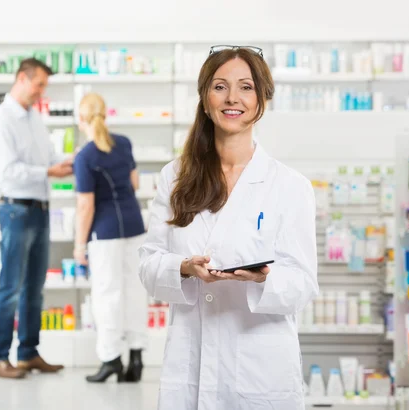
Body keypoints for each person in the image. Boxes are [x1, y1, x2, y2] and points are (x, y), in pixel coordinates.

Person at [138, 46, 319, 409]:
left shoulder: (289, 185)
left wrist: (264, 277)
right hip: (190, 370)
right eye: (220, 87)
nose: (232, 98)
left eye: (246, 87)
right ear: (205, 100)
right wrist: (184, 268)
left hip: (259, 374)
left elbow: (303, 284)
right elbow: (148, 264)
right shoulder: (174, 177)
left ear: (262, 99)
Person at [0, 58, 74, 379]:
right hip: (16, 210)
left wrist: (73, 162)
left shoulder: (34, 118)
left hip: (40, 209)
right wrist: (50, 170)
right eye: (39, 85)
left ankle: (28, 353)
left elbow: (50, 158)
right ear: (22, 78)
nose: (41, 92)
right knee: (11, 288)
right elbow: (8, 172)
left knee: (35, 287)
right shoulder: (0, 121)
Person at [73, 93, 148, 383]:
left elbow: (85, 207)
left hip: (105, 233)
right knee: (134, 292)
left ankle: (111, 359)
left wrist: (80, 245)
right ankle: (136, 358)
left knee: (107, 297)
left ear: (82, 120)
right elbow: (134, 183)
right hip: (134, 226)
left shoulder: (85, 157)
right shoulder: (124, 143)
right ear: (105, 115)